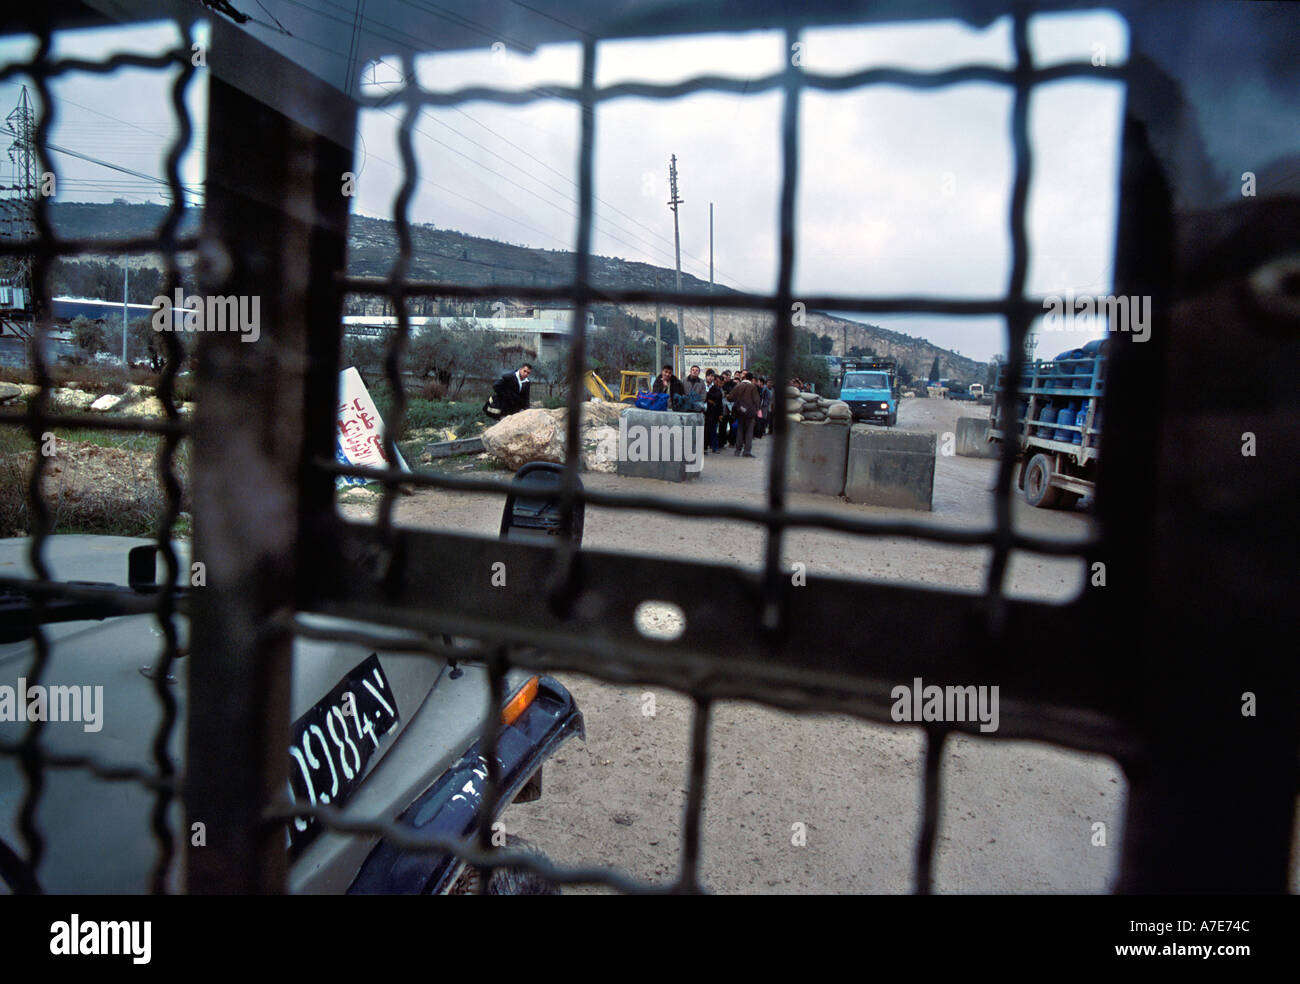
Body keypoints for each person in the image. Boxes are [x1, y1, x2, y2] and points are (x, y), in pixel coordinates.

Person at [728, 371, 760, 457]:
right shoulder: (753, 387)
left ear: (744, 378)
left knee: (740, 430)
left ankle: (737, 450)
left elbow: (730, 397)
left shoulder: (738, 386)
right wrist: (756, 410)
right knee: (749, 432)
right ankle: (747, 452)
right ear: (752, 379)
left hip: (740, 412)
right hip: (750, 413)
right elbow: (757, 401)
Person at [703, 370, 723, 453]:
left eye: (712, 376)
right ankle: (703, 448)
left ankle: (715, 447)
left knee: (712, 430)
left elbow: (717, 398)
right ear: (706, 376)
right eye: (709, 376)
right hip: (701, 411)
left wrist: (706, 395)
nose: (710, 378)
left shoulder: (715, 388)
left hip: (712, 412)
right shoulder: (701, 385)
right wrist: (709, 398)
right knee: (703, 430)